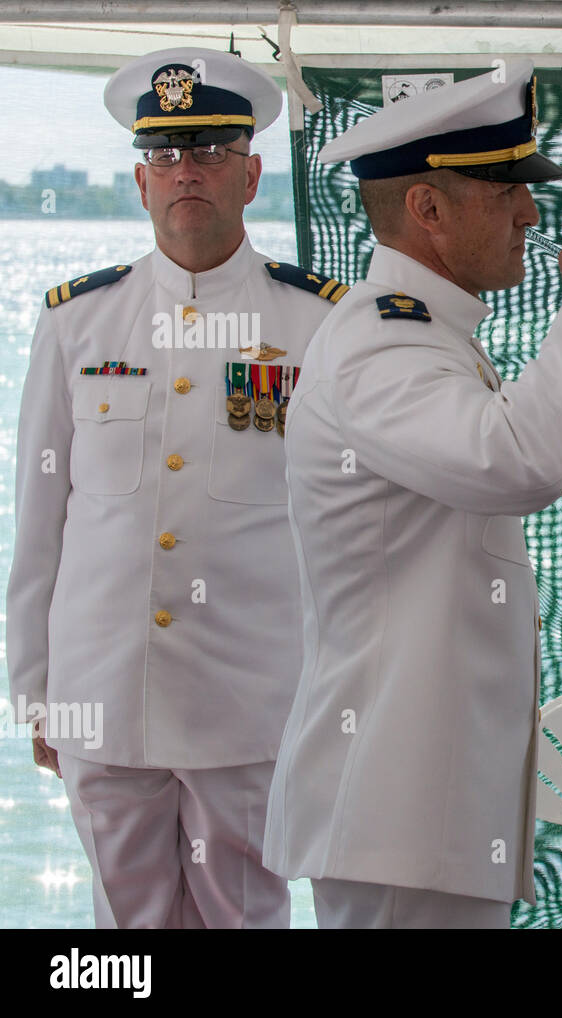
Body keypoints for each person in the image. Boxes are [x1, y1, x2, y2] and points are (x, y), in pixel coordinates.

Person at [261, 61, 562, 929]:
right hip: (398, 809)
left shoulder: (429, 336)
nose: (529, 211)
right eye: (505, 187)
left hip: (426, 811)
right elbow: (516, 461)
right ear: (429, 211)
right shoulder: (380, 342)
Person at [7, 47, 345, 928]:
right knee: (128, 928)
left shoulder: (317, 324)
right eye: (166, 157)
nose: (185, 171)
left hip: (252, 702)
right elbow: (40, 523)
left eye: (209, 153)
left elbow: (345, 533)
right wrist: (35, 690)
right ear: (139, 182)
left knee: (247, 915)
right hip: (104, 695)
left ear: (252, 175)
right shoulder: (77, 321)